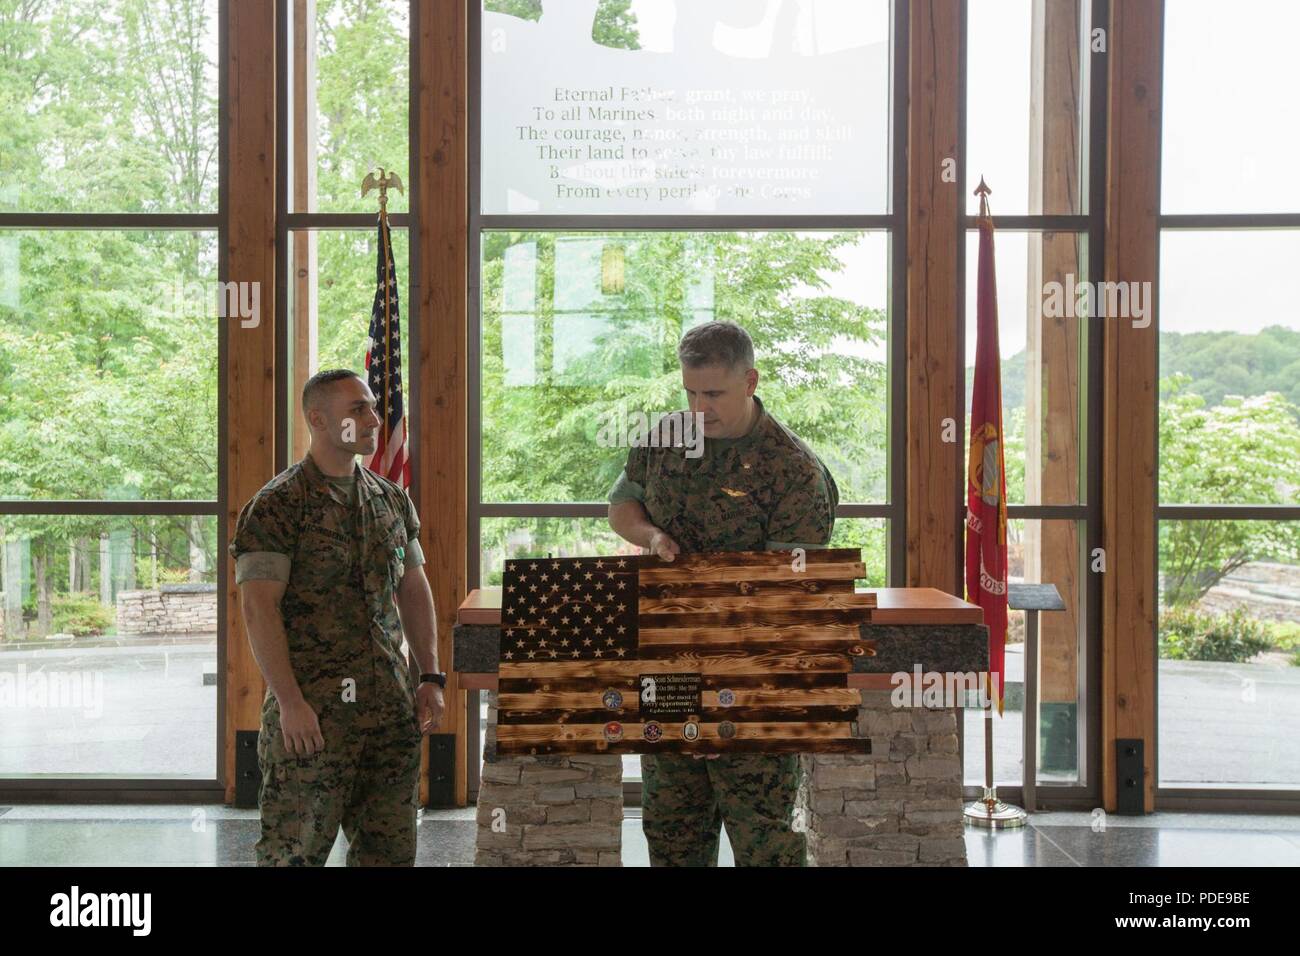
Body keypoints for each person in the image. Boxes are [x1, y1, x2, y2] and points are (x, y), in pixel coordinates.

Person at [607, 321, 839, 866]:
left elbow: (785, 604)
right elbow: (622, 507)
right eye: (689, 391)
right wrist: (651, 536)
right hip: (669, 671)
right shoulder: (666, 437)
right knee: (672, 839)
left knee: (768, 844)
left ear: (750, 380)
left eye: (713, 393)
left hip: (754, 682)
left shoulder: (794, 471)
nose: (698, 407)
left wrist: (720, 701)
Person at [229, 368, 445, 866]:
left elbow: (413, 588)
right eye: (359, 410)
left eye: (372, 406)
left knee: (389, 856)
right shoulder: (278, 506)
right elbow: (259, 608)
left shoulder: (390, 500)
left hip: (390, 714)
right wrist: (289, 702)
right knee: (294, 854)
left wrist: (429, 673)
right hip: (314, 719)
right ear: (318, 419)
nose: (375, 418)